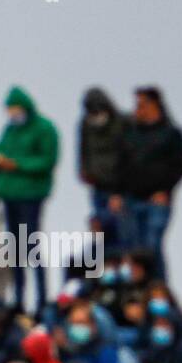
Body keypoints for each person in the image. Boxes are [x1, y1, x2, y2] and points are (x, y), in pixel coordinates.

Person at [0, 87, 59, 311]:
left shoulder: (44, 129)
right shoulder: (10, 129)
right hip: (9, 195)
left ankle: (41, 298)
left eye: (16, 109)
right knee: (14, 248)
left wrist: (17, 164)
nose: (12, 113)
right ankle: (18, 298)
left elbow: (47, 160)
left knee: (31, 246)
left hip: (31, 196)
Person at [112, 86, 182, 279]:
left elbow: (180, 166)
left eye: (142, 105)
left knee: (152, 247)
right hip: (131, 199)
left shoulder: (171, 134)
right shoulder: (129, 133)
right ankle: (139, 292)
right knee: (134, 250)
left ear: (154, 105)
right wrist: (117, 193)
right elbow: (120, 165)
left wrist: (165, 190)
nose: (138, 109)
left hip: (157, 200)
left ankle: (158, 287)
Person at [78, 87, 126, 258]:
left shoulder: (122, 123)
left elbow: (127, 157)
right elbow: (83, 151)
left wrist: (119, 191)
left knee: (119, 231)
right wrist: (84, 171)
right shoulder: (86, 124)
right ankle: (102, 268)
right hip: (97, 185)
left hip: (119, 187)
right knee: (99, 231)